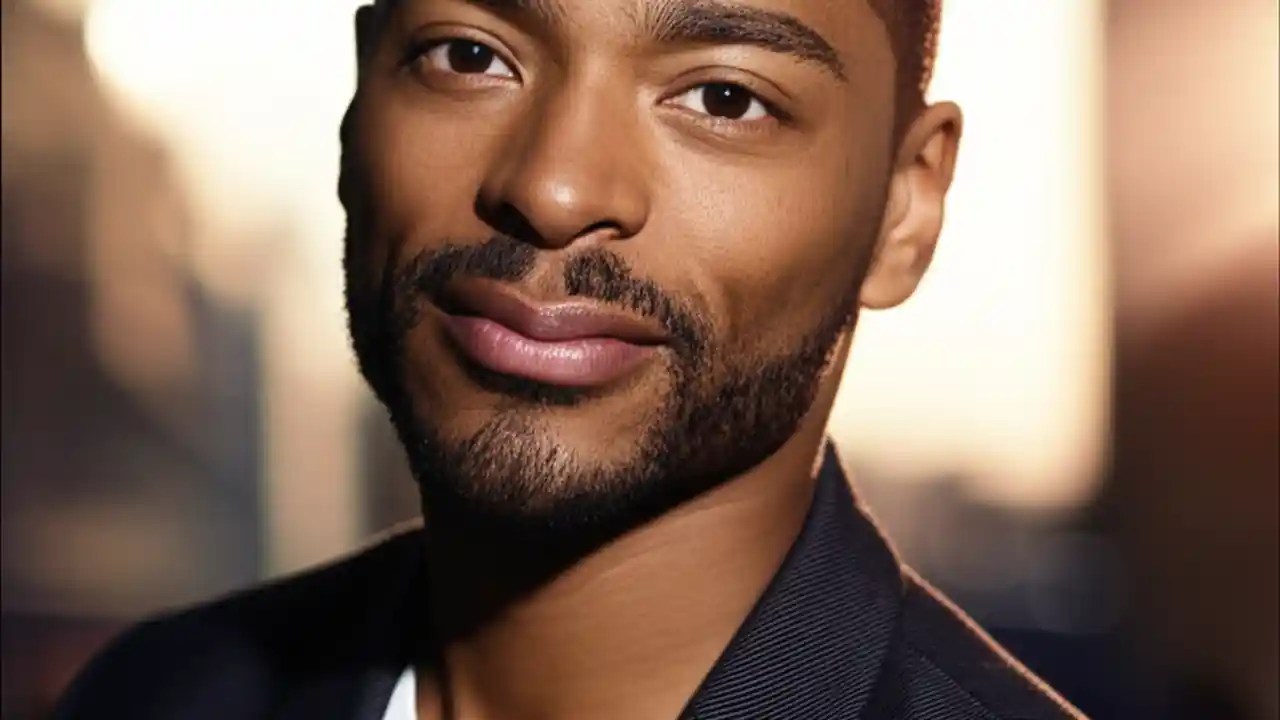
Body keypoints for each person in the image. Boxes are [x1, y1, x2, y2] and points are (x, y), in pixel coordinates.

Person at [55, 0, 1084, 717]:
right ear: (359, 100)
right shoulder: (156, 693)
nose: (552, 187)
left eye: (724, 100)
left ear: (903, 208)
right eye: (468, 56)